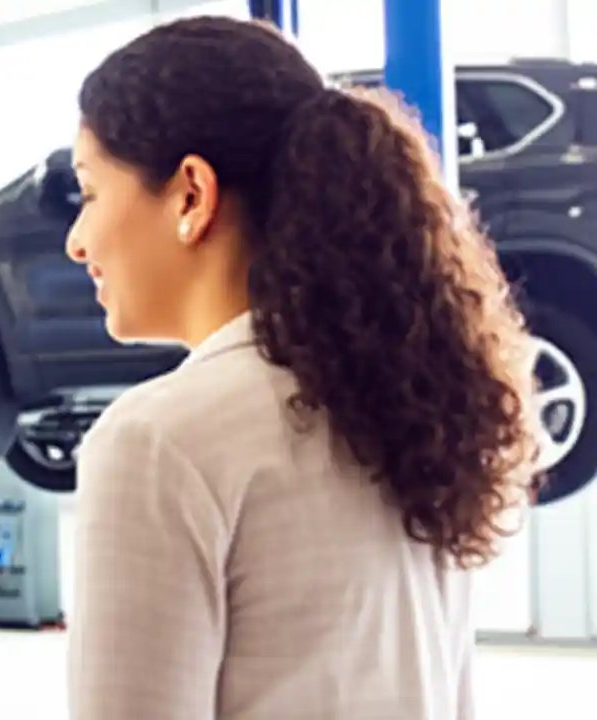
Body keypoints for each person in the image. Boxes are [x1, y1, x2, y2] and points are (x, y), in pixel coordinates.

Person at [63, 17, 540, 720]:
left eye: (91, 193)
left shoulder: (158, 442)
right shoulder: (409, 414)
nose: (78, 241)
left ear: (191, 196)